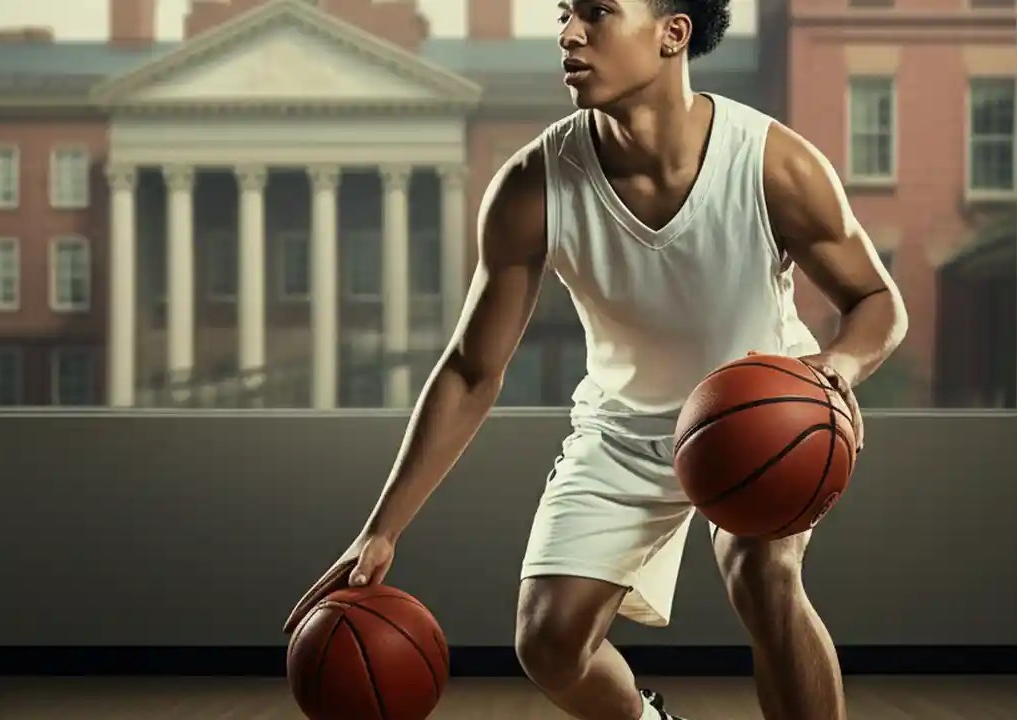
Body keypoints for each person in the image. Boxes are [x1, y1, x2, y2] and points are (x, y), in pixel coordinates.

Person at [284, 1, 908, 718]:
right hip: (622, 432)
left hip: (762, 416)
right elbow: (470, 370)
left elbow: (876, 300)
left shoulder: (771, 161)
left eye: (598, 13)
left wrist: (839, 369)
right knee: (547, 643)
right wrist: (381, 527)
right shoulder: (532, 184)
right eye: (564, 13)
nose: (569, 33)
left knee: (762, 574)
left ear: (673, 33)